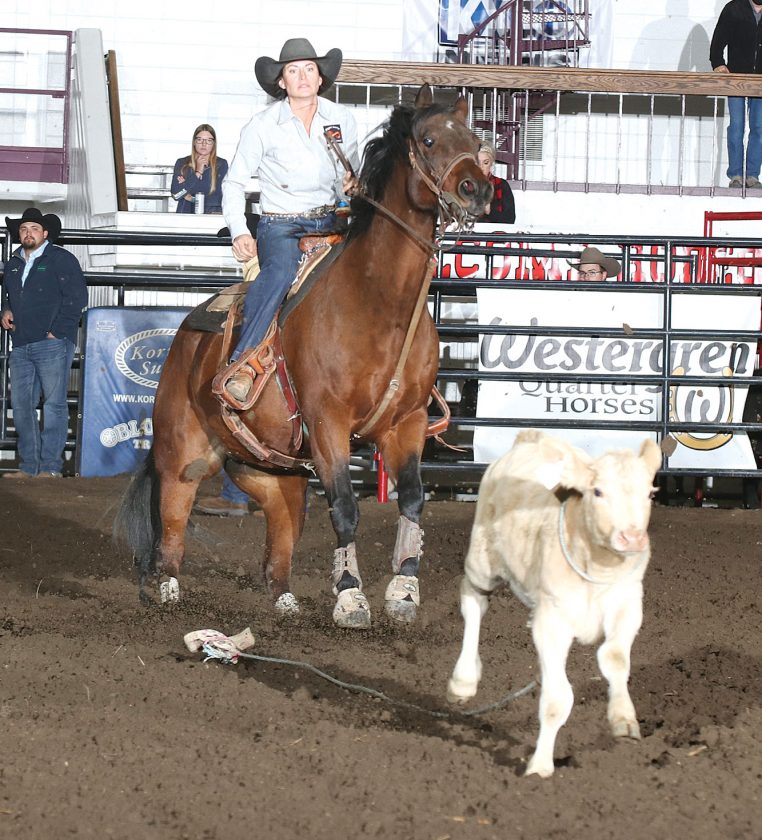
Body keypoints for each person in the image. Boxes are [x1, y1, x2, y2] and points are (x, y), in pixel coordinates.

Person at [221, 37, 360, 403]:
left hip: (333, 220)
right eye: (293, 70)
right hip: (282, 225)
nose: (302, 76)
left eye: (309, 69)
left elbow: (356, 176)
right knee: (279, 274)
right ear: (281, 81)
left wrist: (354, 185)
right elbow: (234, 183)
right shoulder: (263, 125)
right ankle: (245, 363)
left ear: (320, 79)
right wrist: (239, 231)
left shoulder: (342, 119)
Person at [1, 208, 88, 478]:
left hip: (50, 343)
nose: (28, 233)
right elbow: (8, 294)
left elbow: (77, 298)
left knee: (54, 405)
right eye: (24, 229)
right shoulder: (14, 262)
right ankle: (30, 467)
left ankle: (50, 468)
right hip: (22, 343)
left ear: (45, 233)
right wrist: (5, 310)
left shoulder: (61, 259)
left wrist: (57, 332)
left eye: (34, 229)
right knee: (22, 406)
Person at [710, 0, 762, 188]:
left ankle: (752, 176)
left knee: (759, 128)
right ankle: (736, 175)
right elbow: (718, 40)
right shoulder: (734, 8)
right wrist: (718, 63)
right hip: (737, 79)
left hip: (761, 81)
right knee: (737, 127)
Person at [171, 124, 229, 213]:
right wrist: (197, 172)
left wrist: (190, 197)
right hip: (186, 214)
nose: (204, 144)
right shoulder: (182, 163)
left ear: (214, 144)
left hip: (212, 214)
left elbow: (219, 197)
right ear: (194, 142)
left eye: (209, 140)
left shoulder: (221, 164)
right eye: (199, 139)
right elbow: (176, 195)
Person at [477, 142, 516, 225]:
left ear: (491, 163)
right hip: (468, 236)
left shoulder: (502, 185)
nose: (481, 167)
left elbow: (510, 219)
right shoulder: (463, 186)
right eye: (477, 163)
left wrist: (490, 210)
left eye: (485, 163)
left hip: (494, 236)